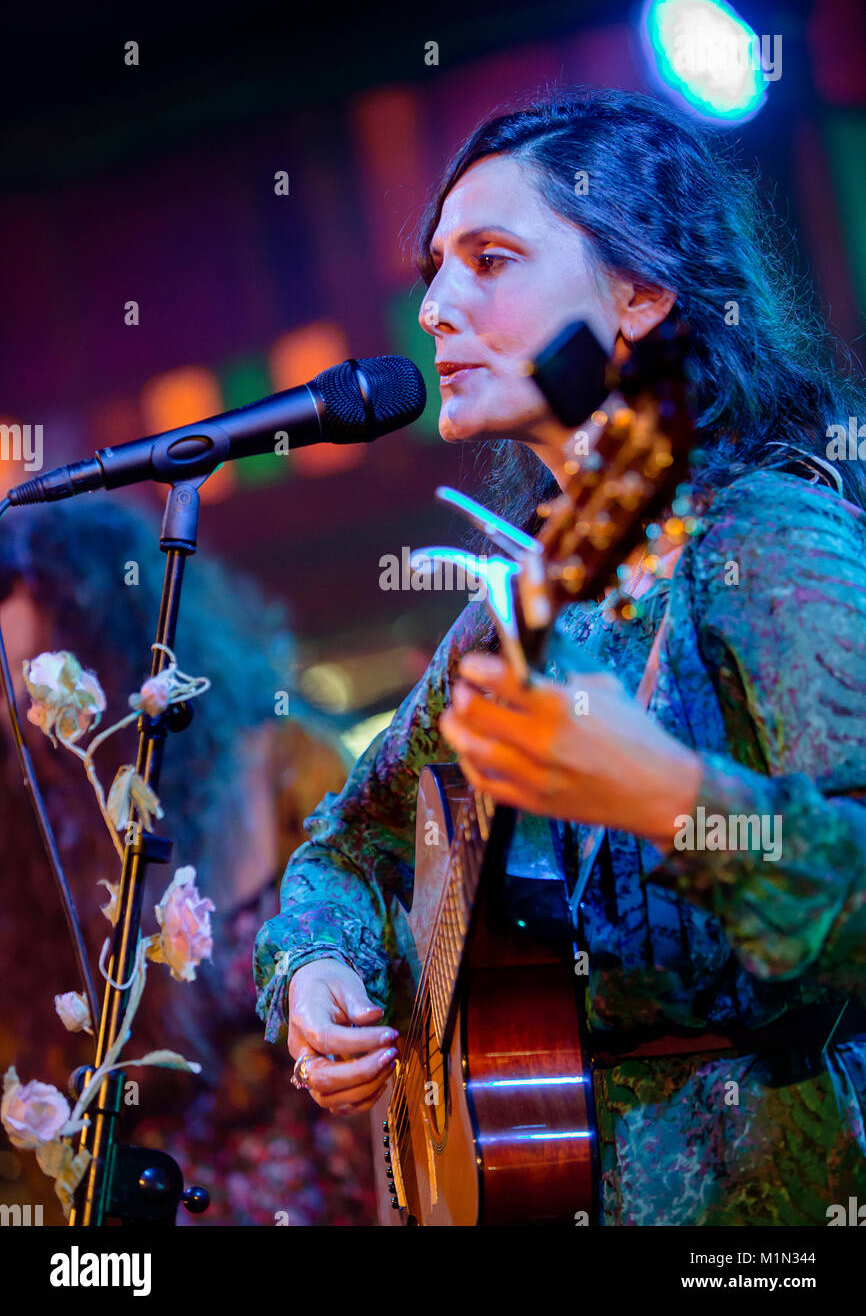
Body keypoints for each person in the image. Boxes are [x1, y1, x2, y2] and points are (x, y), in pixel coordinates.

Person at [254, 87, 866, 1225]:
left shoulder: (763, 541)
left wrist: (673, 800)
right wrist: (318, 973)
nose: (433, 306)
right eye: (436, 267)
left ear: (638, 295)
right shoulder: (516, 607)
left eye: (490, 258)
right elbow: (345, 839)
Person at [0, 494, 377, 1225]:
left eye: (44, 690)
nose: (36, 729)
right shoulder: (46, 853)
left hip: (354, 1182)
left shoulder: (285, 770)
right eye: (15, 706)